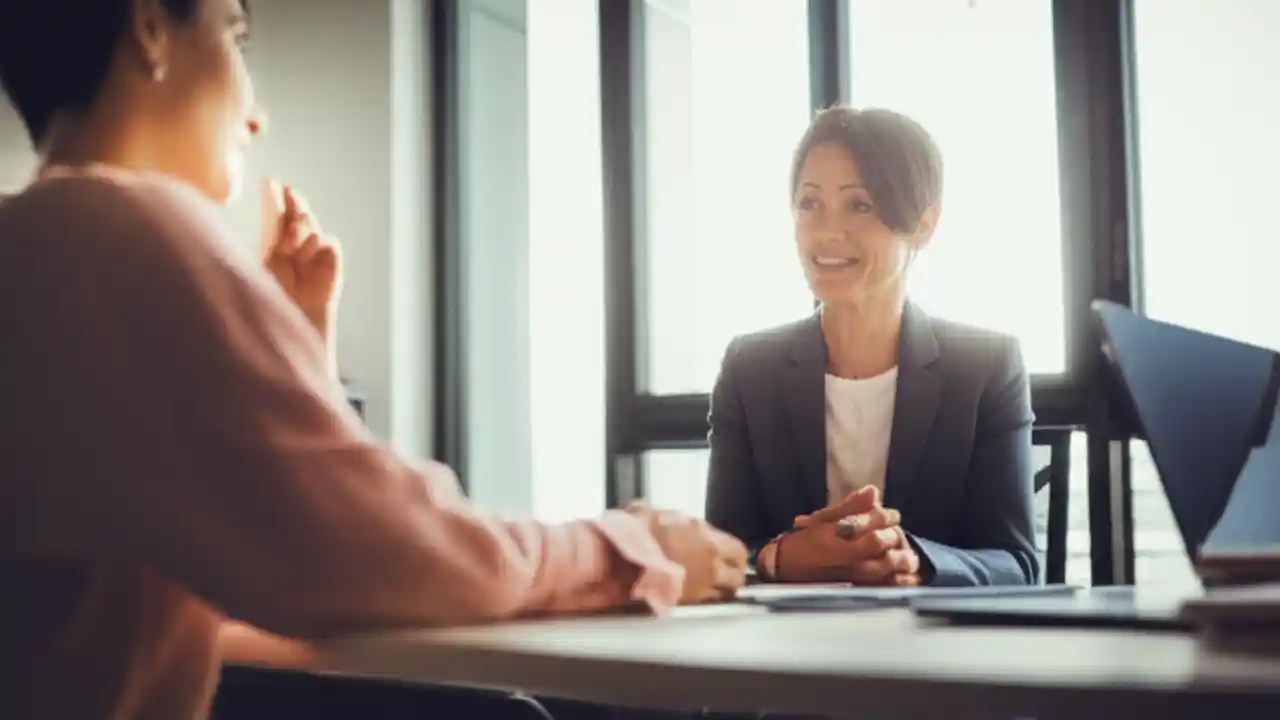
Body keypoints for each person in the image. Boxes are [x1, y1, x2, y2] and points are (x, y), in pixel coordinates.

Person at [0, 1, 747, 718]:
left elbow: (240, 559)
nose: (256, 111)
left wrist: (297, 352)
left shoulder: (36, 246)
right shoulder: (125, 232)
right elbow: (379, 551)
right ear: (151, 26)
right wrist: (632, 549)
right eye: (237, 38)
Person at [705, 106, 1037, 588]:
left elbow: (1017, 563)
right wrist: (783, 556)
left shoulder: (986, 366)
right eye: (809, 203)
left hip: (929, 653)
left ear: (923, 223)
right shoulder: (748, 367)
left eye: (859, 205)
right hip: (788, 651)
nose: (827, 232)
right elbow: (723, 554)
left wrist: (913, 559)